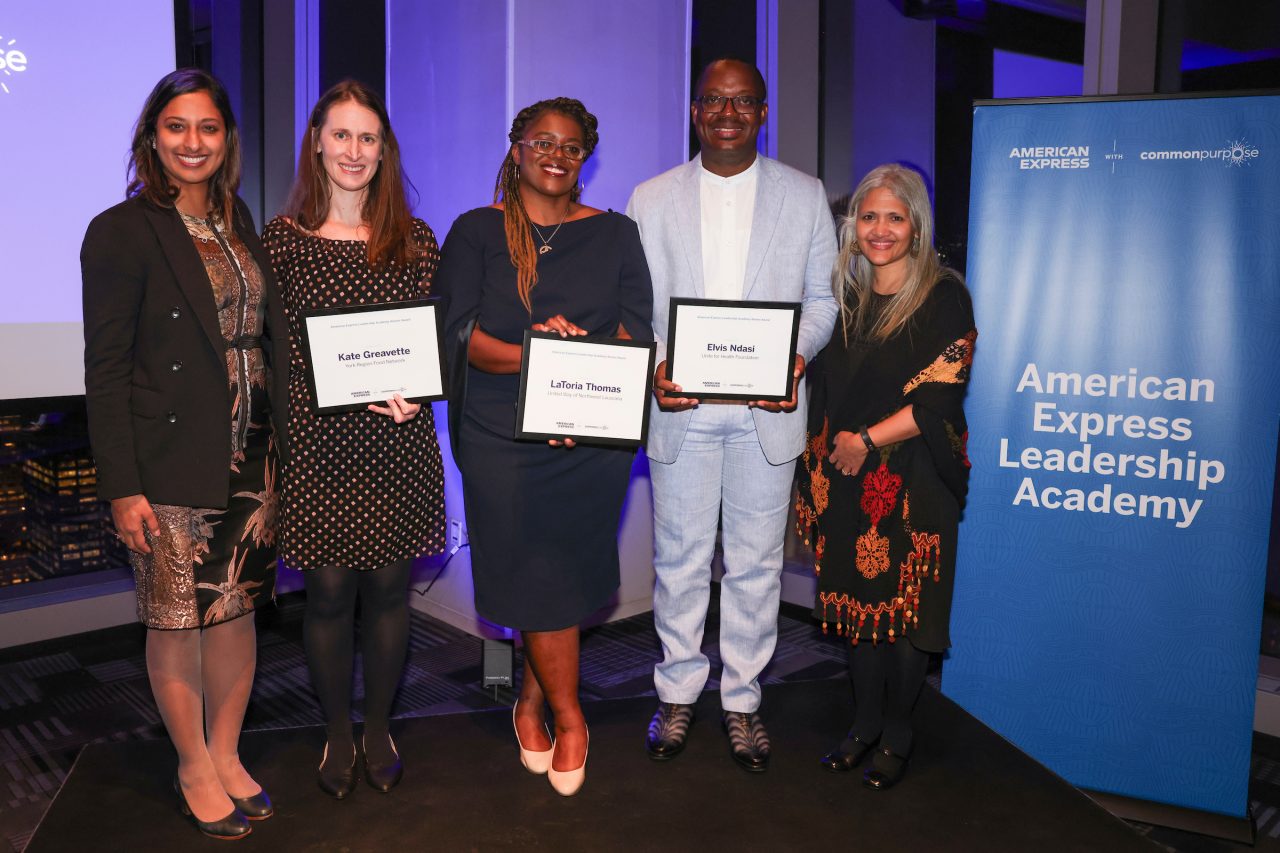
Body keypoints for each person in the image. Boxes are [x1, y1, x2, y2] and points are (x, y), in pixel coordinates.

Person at [81, 68, 287, 840]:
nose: (192, 142)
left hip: (252, 451)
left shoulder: (240, 223)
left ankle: (228, 753)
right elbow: (104, 367)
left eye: (207, 127)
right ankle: (193, 763)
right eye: (176, 127)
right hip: (169, 454)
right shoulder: (120, 230)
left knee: (234, 610)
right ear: (152, 137)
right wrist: (121, 485)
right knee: (176, 619)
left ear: (226, 138)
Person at [626, 58, 838, 772]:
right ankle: (678, 690)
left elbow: (823, 301)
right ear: (695, 111)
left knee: (754, 565)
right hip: (680, 408)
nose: (727, 112)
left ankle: (743, 698)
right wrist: (657, 366)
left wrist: (794, 359)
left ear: (763, 111)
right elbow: (636, 307)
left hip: (764, 413)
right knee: (679, 562)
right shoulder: (650, 199)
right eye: (714, 100)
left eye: (742, 101)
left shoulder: (805, 196)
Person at [437, 97, 653, 797]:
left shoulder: (617, 235)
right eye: (542, 142)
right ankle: (571, 713)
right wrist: (540, 356)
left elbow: (635, 330)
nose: (556, 155)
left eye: (570, 146)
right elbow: (460, 336)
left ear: (584, 157)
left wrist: (577, 386)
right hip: (501, 433)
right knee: (532, 569)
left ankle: (531, 702)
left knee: (559, 574)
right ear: (517, 146)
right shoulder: (475, 231)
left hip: (589, 432)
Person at [263, 80, 446, 798]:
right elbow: (278, 353)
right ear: (316, 143)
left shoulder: (416, 240)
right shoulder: (282, 241)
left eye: (368, 138)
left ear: (384, 151)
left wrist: (415, 393)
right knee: (330, 595)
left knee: (391, 592)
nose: (354, 151)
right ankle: (337, 731)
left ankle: (378, 727)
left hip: (397, 442)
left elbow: (428, 345)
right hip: (318, 441)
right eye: (341, 135)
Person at [795, 164, 976, 790]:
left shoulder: (943, 296)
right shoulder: (843, 300)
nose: (880, 230)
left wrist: (867, 440)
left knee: (906, 618)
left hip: (913, 480)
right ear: (853, 226)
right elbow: (819, 386)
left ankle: (898, 732)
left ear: (916, 226)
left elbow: (941, 394)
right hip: (845, 478)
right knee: (858, 614)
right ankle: (862, 724)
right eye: (868, 217)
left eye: (894, 218)